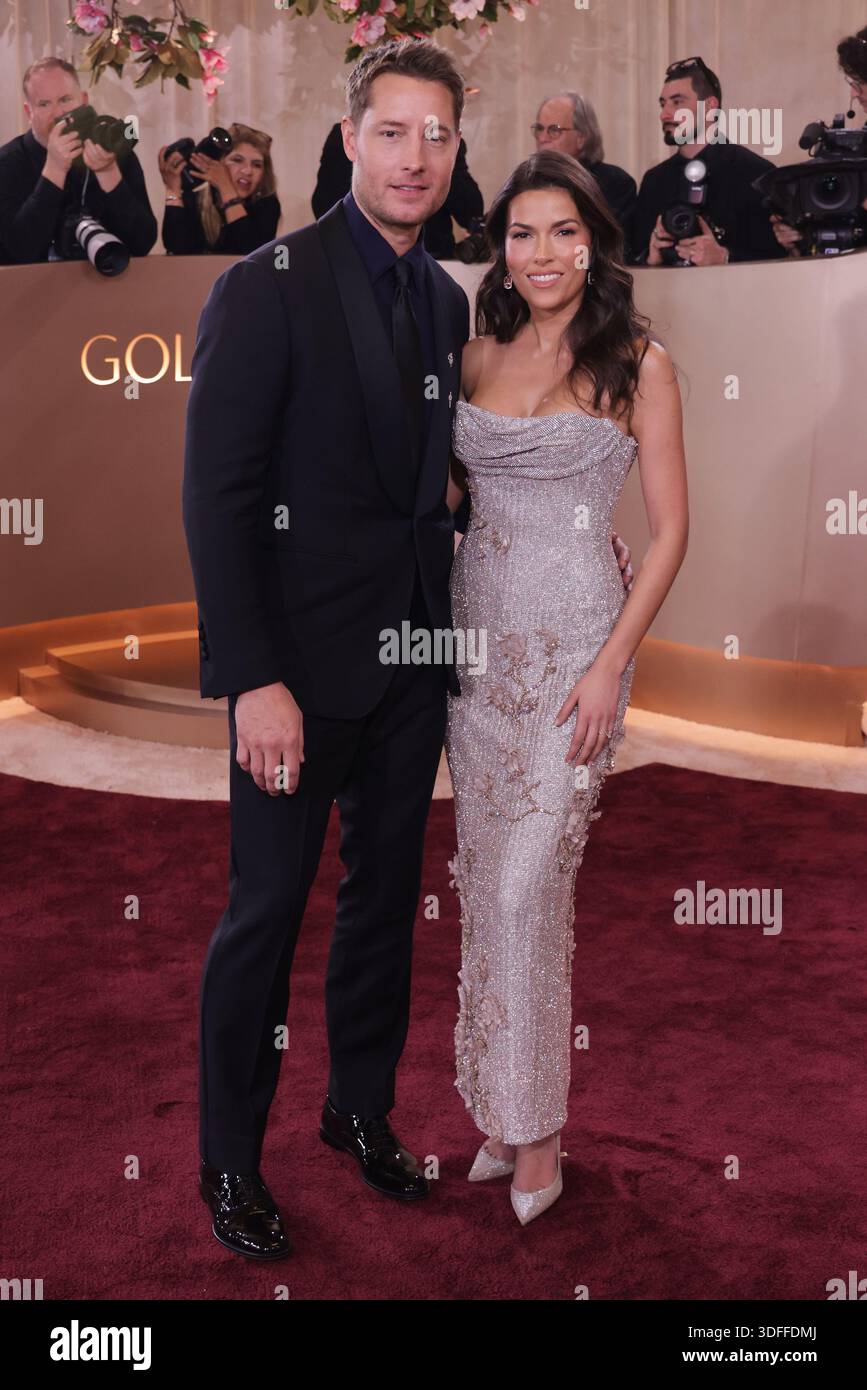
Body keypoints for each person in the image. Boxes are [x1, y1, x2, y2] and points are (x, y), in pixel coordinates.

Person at [183, 37, 634, 1261]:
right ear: (349, 139)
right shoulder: (264, 284)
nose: (417, 157)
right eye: (394, 132)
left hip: (420, 670)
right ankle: (230, 1161)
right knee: (266, 911)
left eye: (438, 135)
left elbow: (455, 490)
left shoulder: (451, 302)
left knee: (386, 905)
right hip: (292, 681)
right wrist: (251, 677)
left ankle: (359, 1111)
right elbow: (219, 501)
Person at [444, 149, 688, 1224]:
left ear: (595, 241)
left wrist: (609, 666)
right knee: (484, 885)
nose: (542, 253)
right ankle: (500, 1110)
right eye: (524, 233)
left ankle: (539, 1133)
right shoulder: (472, 354)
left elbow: (674, 531)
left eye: (563, 231)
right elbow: (452, 495)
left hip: (575, 662)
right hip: (474, 657)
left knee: (525, 887)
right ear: (504, 247)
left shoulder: (642, 360)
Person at [0, 56, 156, 265]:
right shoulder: (8, 163)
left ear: (83, 100)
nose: (59, 113)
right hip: (33, 294)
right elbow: (16, 253)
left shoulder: (113, 152)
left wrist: (108, 173)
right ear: (29, 111)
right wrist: (54, 170)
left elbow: (142, 243)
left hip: (112, 292)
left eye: (65, 100)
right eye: (44, 104)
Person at [632, 56, 785, 266]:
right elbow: (630, 261)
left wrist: (725, 257)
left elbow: (780, 260)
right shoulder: (654, 181)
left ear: (710, 106)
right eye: (663, 104)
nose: (664, 115)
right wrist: (651, 258)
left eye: (677, 102)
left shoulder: (756, 173)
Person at [311, 115, 483, 258]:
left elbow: (471, 212)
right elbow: (324, 203)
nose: (414, 164)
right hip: (350, 260)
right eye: (389, 135)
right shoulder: (348, 136)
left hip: (429, 262)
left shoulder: (441, 141)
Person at [772, 26, 867, 256]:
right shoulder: (857, 147)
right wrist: (800, 238)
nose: (854, 94)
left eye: (859, 83)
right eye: (852, 84)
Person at [531, 91, 637, 258]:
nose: (543, 138)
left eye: (554, 130)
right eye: (539, 129)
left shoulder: (615, 183)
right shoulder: (527, 183)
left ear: (581, 137)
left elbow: (615, 249)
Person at [159, 123, 280, 256]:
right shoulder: (196, 199)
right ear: (218, 161)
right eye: (237, 160)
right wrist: (173, 190)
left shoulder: (267, 204)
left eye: (257, 165)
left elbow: (251, 253)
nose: (247, 171)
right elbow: (177, 249)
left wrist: (226, 189)